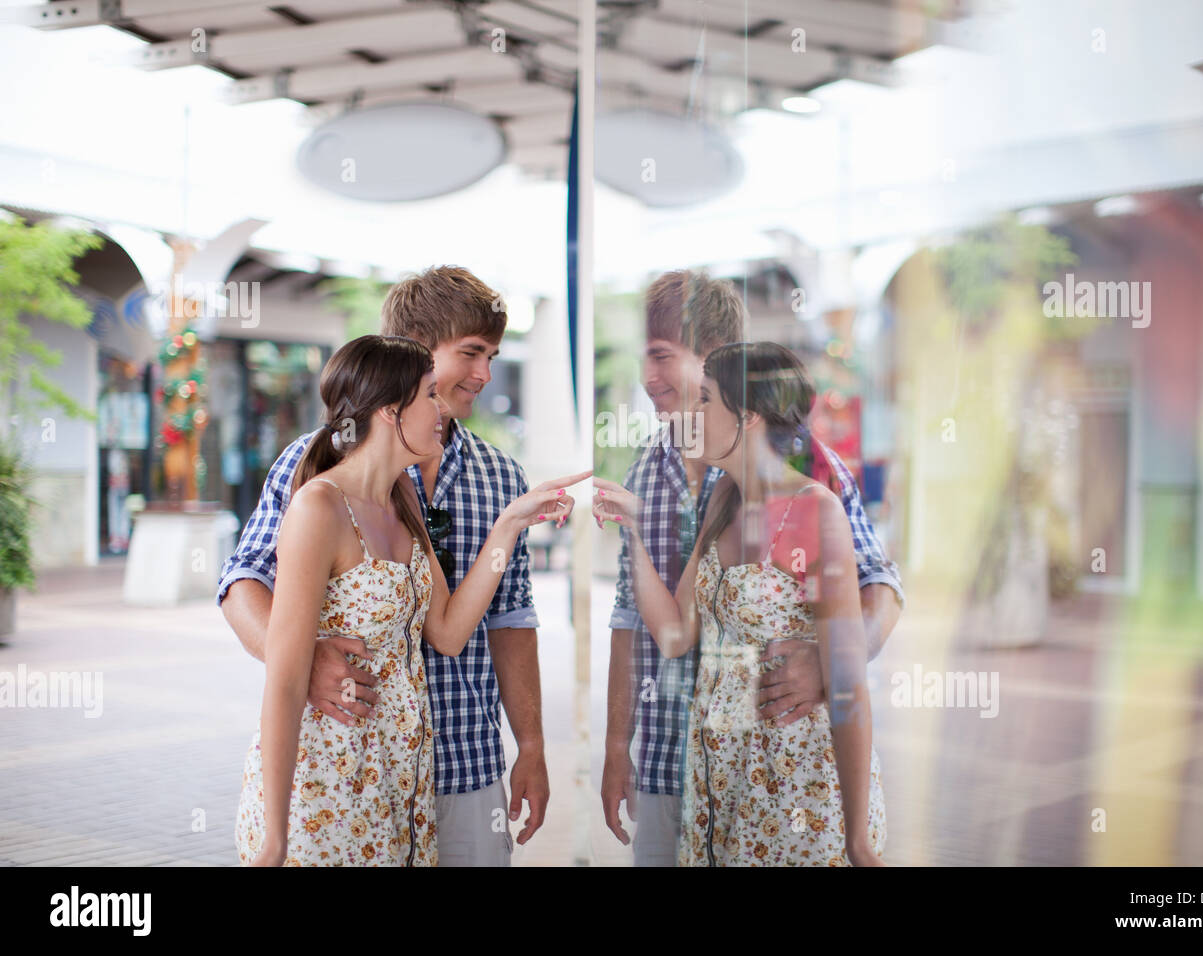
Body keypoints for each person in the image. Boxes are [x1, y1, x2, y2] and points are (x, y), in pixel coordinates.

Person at [219, 266, 559, 866]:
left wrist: (530, 743)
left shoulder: (480, 482)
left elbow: (496, 621)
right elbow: (244, 579)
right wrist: (295, 658)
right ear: (412, 362)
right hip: (339, 776)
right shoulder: (313, 473)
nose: (484, 375)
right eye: (471, 354)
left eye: (493, 356)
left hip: (448, 768)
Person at [600, 271, 904, 866]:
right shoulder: (709, 496)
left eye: (663, 358)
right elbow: (662, 629)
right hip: (706, 780)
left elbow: (859, 649)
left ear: (746, 411)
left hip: (793, 787)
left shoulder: (813, 493)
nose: (651, 379)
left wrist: (858, 840)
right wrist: (634, 530)